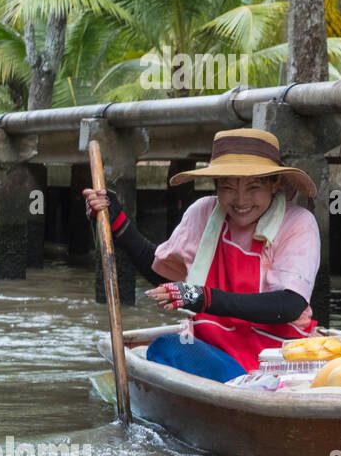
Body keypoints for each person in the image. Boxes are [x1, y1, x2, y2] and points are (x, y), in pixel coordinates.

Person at [83, 128, 321, 383]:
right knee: (166, 347)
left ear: (275, 184)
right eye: (228, 186)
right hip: (217, 350)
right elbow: (161, 272)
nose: (241, 200)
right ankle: (239, 386)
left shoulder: (298, 222)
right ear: (215, 184)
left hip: (280, 357)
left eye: (254, 187)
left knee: (166, 349)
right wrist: (117, 222)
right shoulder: (204, 212)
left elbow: (289, 305)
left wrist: (201, 298)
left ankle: (246, 387)